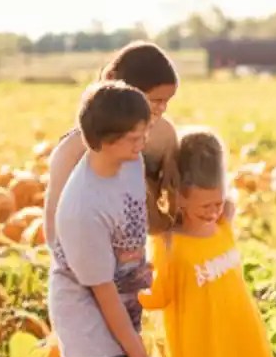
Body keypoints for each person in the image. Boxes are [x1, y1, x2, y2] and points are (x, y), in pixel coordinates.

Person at [47, 80, 176, 357]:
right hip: (89, 315)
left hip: (120, 303)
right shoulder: (82, 208)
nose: (144, 142)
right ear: (103, 142)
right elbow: (102, 298)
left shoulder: (128, 162)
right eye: (135, 137)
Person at [138, 128, 275, 357]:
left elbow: (224, 208)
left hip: (235, 338)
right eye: (204, 207)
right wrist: (129, 282)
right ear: (179, 197)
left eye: (218, 203)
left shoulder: (223, 223)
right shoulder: (169, 245)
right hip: (202, 350)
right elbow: (158, 297)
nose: (213, 212)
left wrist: (220, 210)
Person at [43, 41, 232, 242]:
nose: (162, 109)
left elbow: (175, 194)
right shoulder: (74, 149)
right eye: (155, 101)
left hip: (142, 245)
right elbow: (55, 218)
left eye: (166, 101)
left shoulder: (164, 135)